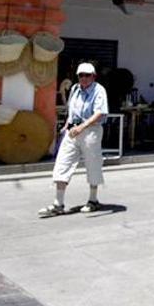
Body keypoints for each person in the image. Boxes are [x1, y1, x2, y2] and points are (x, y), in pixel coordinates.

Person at [38, 63, 108, 218]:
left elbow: (100, 113)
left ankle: (93, 199)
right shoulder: (75, 89)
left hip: (90, 130)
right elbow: (71, 108)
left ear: (93, 76)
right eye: (81, 75)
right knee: (63, 161)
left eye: (87, 75)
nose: (84, 78)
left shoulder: (99, 90)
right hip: (73, 130)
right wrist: (67, 125)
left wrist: (82, 127)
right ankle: (58, 203)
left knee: (93, 163)